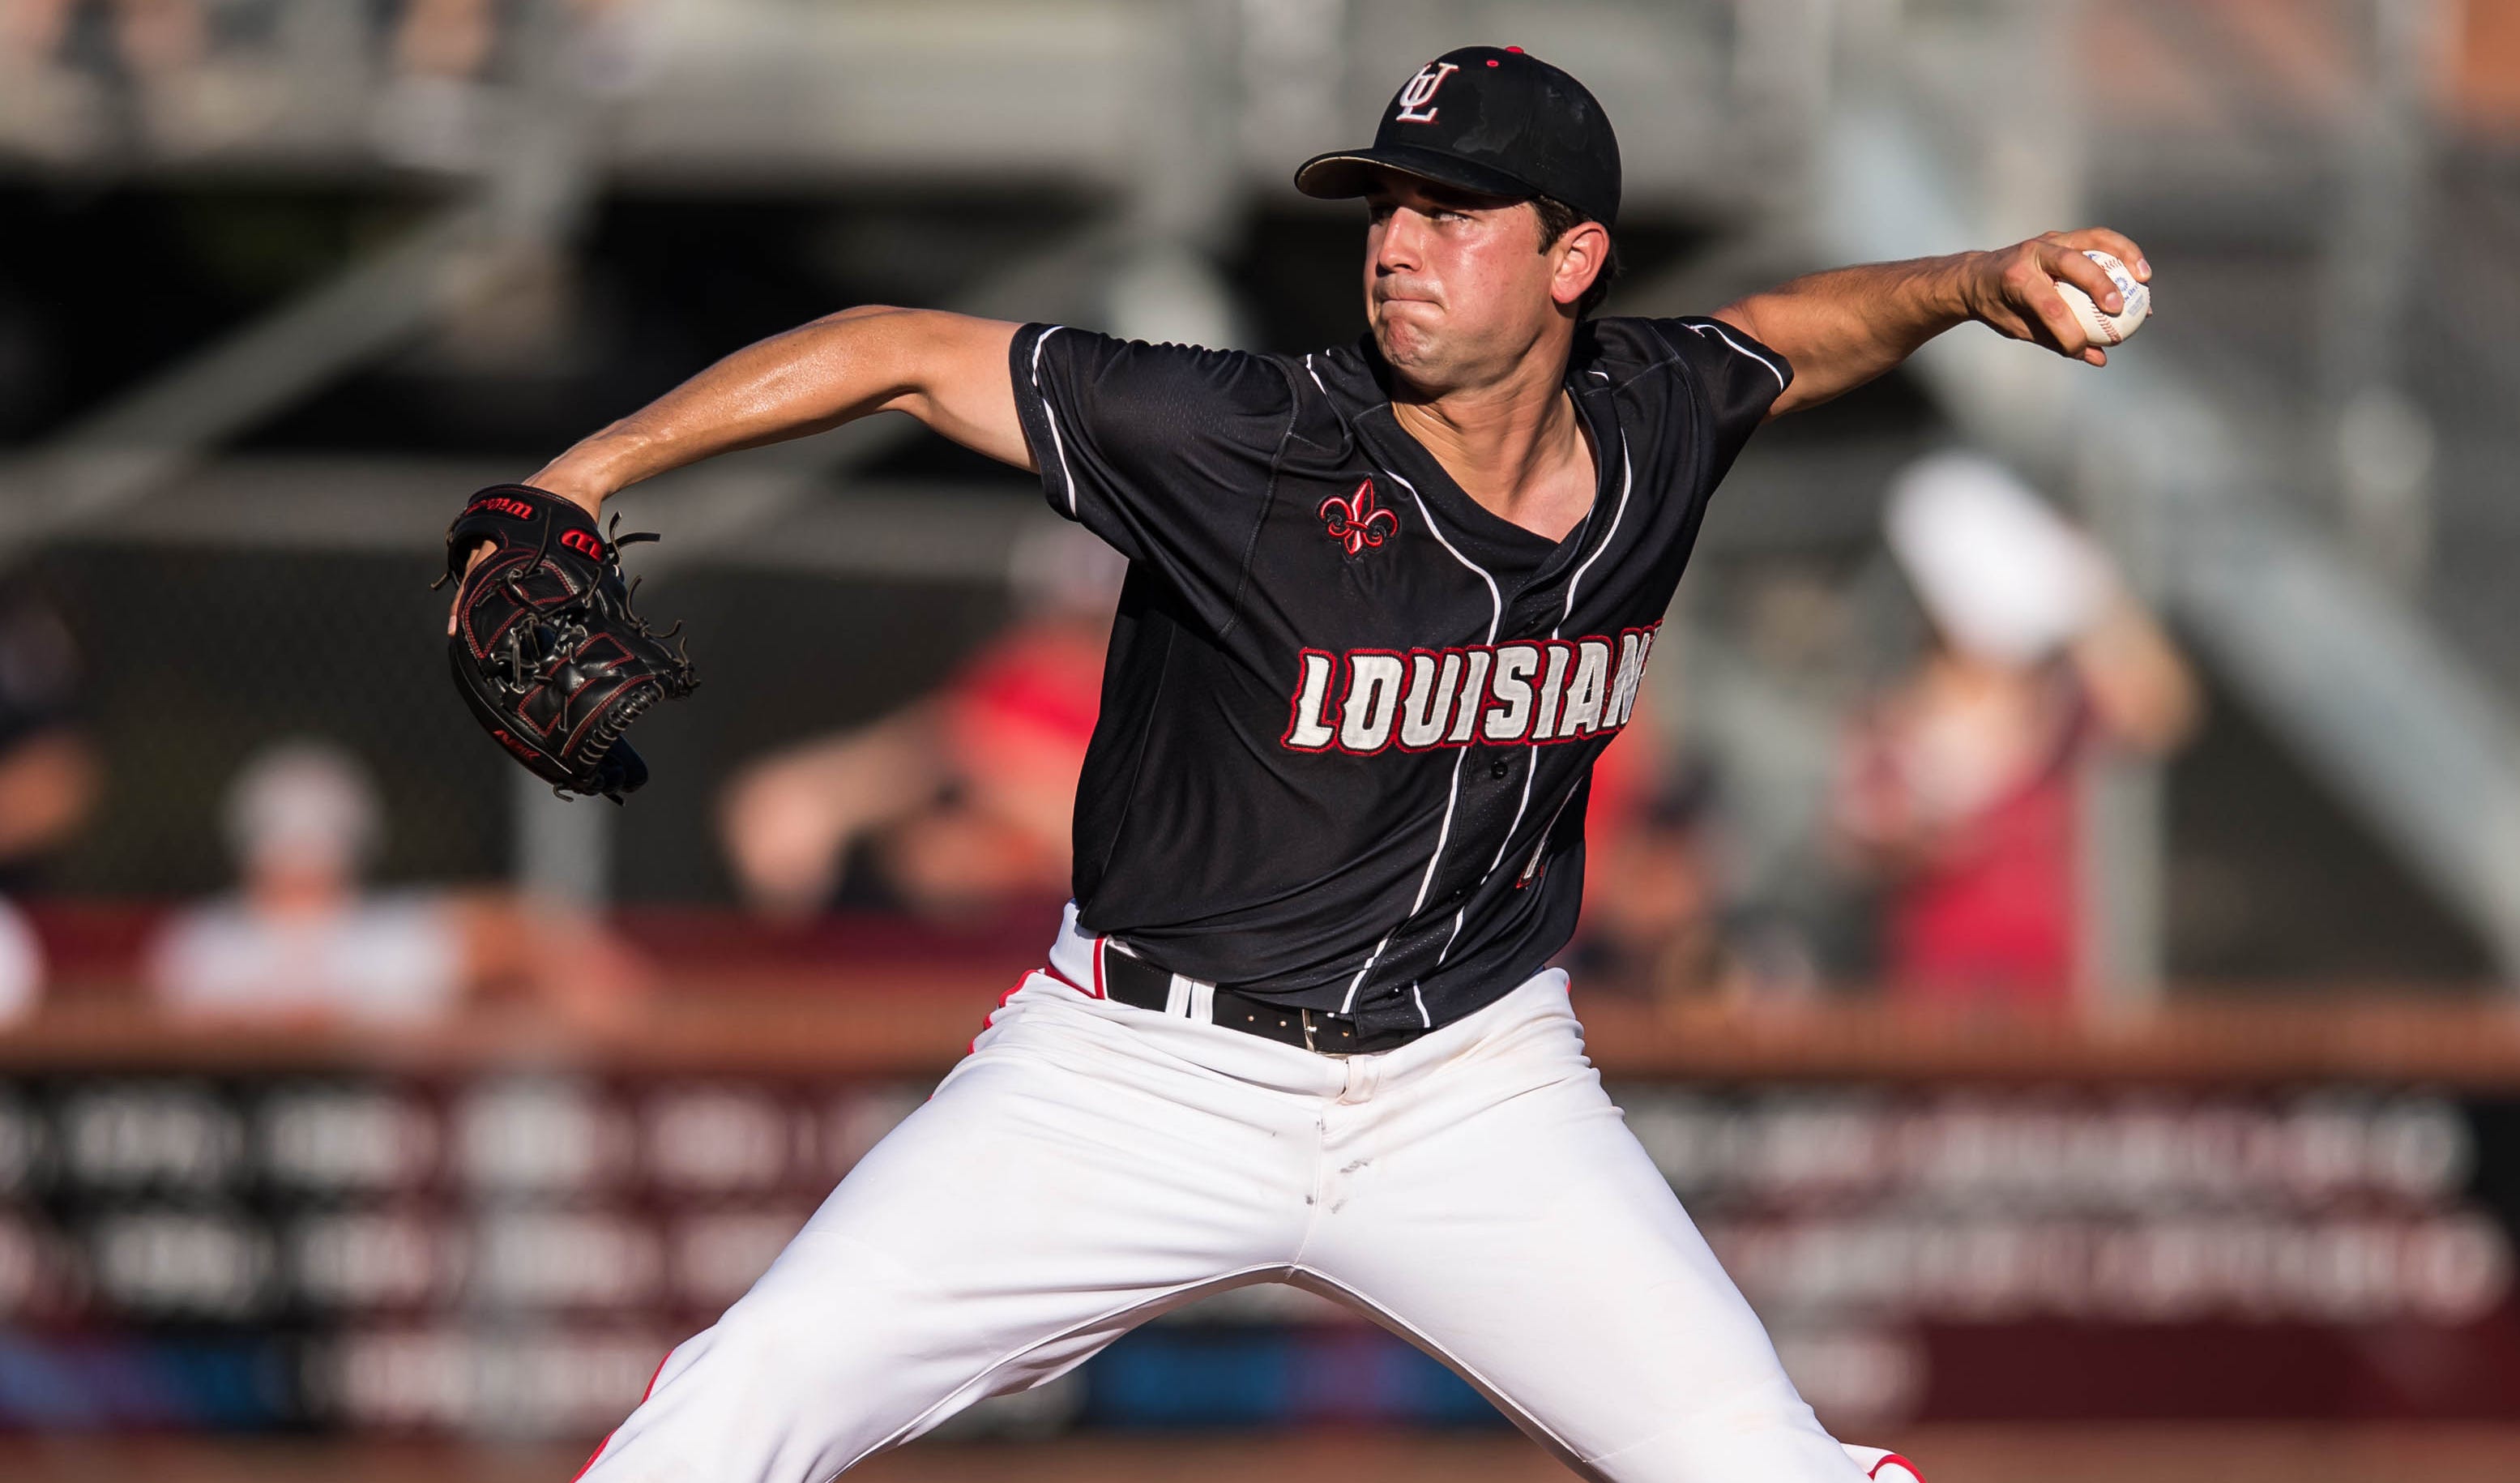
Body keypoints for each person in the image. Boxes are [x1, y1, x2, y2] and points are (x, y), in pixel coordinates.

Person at [498, 45, 2146, 1483]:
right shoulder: (1244, 441)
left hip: (1470, 1084)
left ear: (1576, 259)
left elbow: (1788, 333)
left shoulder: (1656, 417)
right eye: (1385, 207)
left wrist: (1972, 281)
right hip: (1138, 1074)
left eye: (1454, 213)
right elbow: (897, 348)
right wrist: (583, 476)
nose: (1401, 248)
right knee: (734, 1416)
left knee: (1764, 1468)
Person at [1834, 454, 2199, 1006]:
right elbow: (1850, 846)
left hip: (2047, 1019)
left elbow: (2164, 712)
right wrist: (1907, 845)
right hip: (1936, 1018)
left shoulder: (2055, 712)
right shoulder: (1892, 726)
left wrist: (2088, 595)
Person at [717, 525, 1119, 922]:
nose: (1073, 642)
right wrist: (818, 797)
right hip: (969, 946)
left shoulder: (1146, 711)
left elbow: (1098, 841)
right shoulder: (1009, 684)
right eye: (1064, 618)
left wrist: (1001, 781)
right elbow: (935, 753)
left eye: (1098, 625)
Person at [147, 738, 644, 1028]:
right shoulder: (205, 943)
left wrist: (585, 968)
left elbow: (522, 931)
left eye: (312, 863)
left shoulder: (378, 936)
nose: (300, 879)